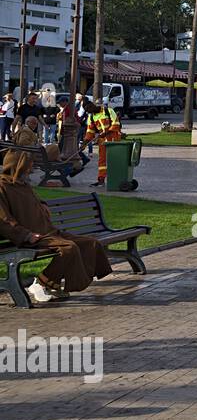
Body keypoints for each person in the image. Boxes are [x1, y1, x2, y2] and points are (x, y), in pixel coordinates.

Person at [0, 127, 112, 303]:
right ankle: (42, 282)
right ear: (17, 167)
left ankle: (51, 285)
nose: (30, 171)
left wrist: (43, 205)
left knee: (91, 243)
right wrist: (27, 235)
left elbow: (34, 201)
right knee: (69, 248)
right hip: (32, 236)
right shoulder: (3, 187)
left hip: (49, 231)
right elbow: (4, 221)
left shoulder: (22, 184)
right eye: (27, 168)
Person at [85, 99, 122, 187]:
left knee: (114, 159)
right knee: (102, 160)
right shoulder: (91, 117)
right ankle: (101, 180)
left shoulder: (108, 111)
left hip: (113, 138)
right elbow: (90, 131)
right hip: (102, 140)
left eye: (88, 110)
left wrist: (105, 133)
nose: (88, 112)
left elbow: (116, 124)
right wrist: (85, 141)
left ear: (92, 106)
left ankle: (116, 179)